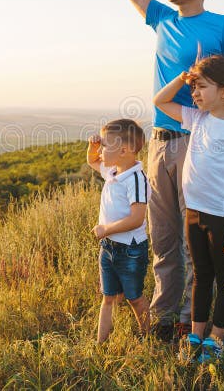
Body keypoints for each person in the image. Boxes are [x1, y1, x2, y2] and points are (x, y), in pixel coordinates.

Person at [124, 0, 224, 341]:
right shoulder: (162, 19)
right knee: (163, 237)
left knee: (191, 239)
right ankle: (163, 317)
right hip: (160, 141)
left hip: (198, 140)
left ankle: (189, 319)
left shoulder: (223, 26)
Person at [154, 55, 224, 362]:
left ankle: (217, 340)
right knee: (200, 275)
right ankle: (196, 335)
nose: (195, 93)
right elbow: (160, 101)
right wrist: (182, 79)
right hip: (194, 213)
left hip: (222, 217)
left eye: (202, 87)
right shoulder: (196, 119)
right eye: (193, 88)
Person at [87, 119, 151, 343]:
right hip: (108, 247)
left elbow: (137, 218)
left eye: (105, 146)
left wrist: (106, 229)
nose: (100, 151)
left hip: (130, 250)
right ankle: (100, 345)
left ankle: (147, 337)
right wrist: (93, 146)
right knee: (108, 298)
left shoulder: (136, 179)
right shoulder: (113, 172)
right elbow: (92, 160)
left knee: (135, 298)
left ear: (124, 150)